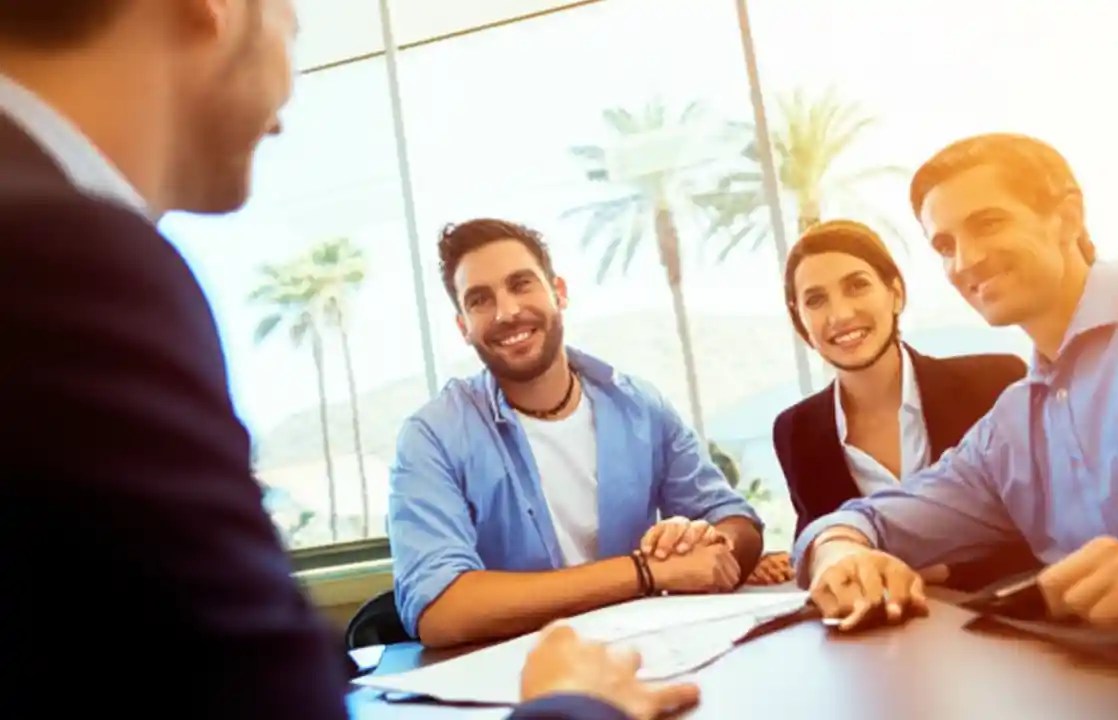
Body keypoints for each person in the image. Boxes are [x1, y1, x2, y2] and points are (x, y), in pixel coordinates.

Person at [0, 3, 699, 719]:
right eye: (293, 22)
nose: (289, 100)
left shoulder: (45, 240)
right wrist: (574, 707)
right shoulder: (63, 258)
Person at [793, 132, 1118, 650]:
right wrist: (840, 552)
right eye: (945, 246)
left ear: (1068, 217)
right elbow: (863, 520)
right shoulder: (1010, 432)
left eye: (988, 223)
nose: (965, 261)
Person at [390, 218, 765, 648]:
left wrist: (706, 543)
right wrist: (644, 571)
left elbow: (737, 524)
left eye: (521, 284)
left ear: (559, 292)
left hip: (652, 656)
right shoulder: (431, 436)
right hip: (522, 681)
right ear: (463, 327)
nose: (507, 311)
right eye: (480, 300)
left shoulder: (640, 406)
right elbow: (441, 611)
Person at [755, 219, 1038, 590]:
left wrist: (939, 574)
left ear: (896, 294)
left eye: (857, 286)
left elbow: (1035, 533)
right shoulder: (797, 430)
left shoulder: (992, 382)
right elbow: (818, 536)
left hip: (995, 616)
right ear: (801, 322)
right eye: (815, 300)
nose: (840, 315)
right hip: (879, 632)